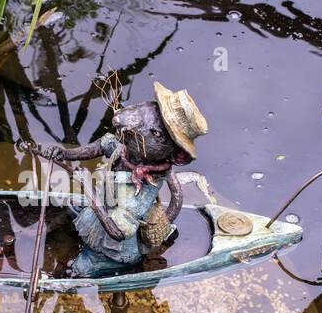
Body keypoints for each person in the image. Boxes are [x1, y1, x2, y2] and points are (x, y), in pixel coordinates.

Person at [20, 82, 207, 277]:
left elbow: (117, 232)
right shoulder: (127, 150)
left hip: (116, 245)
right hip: (106, 203)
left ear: (177, 156)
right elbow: (100, 146)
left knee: (77, 270)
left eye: (155, 133)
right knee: (70, 205)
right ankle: (59, 232)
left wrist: (88, 189)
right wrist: (66, 153)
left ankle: (123, 265)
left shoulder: (139, 190)